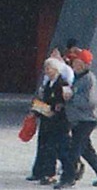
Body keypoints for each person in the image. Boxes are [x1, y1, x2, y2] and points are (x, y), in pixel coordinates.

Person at [55, 49, 97, 189]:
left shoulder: (89, 79)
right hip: (78, 119)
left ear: (84, 64)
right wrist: (63, 102)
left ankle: (68, 178)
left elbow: (91, 102)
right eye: (74, 61)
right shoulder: (77, 77)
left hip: (86, 119)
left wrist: (71, 98)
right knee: (86, 149)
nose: (74, 64)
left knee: (74, 149)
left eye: (78, 62)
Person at [28, 57, 70, 185]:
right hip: (47, 120)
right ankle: (44, 172)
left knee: (56, 148)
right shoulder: (48, 84)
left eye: (49, 68)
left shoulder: (62, 84)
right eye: (45, 68)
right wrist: (36, 109)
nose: (47, 71)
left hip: (57, 122)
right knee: (46, 147)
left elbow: (60, 104)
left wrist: (49, 108)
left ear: (56, 69)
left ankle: (53, 173)